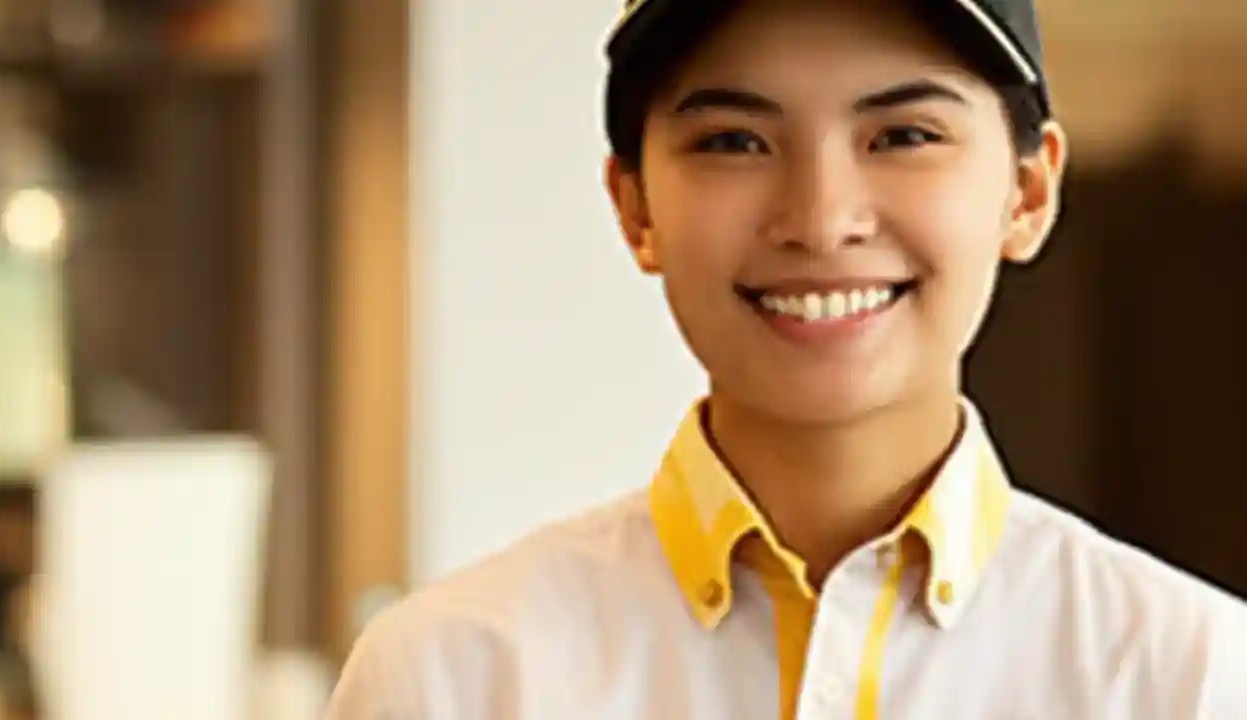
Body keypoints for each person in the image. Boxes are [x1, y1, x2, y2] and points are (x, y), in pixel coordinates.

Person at [327, 0, 1247, 717]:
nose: (819, 218)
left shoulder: (1190, 679)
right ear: (634, 203)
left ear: (1028, 189)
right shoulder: (455, 680)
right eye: (734, 141)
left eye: (904, 136)